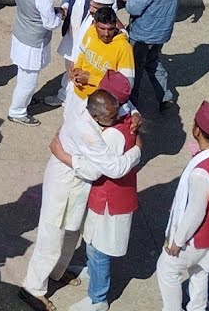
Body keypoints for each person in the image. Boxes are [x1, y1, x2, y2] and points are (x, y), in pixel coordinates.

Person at [18, 87, 140, 311]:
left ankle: (57, 271)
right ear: (95, 115)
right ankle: (32, 288)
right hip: (64, 185)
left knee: (72, 232)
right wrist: (136, 151)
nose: (115, 120)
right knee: (52, 236)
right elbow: (105, 170)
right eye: (111, 117)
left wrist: (134, 114)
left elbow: (125, 106)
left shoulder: (90, 111)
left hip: (76, 184)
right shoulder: (89, 131)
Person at [72, 71, 141, 311]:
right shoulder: (127, 119)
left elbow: (97, 170)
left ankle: (98, 298)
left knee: (97, 247)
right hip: (115, 196)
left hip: (109, 199)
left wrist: (69, 159)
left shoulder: (112, 134)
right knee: (92, 242)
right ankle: (93, 274)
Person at [157, 102, 209, 311]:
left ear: (197, 130)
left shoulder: (201, 173)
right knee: (200, 272)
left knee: (166, 270)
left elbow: (195, 212)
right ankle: (197, 307)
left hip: (196, 239)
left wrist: (177, 240)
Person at [41, 0, 116, 107]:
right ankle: (64, 94)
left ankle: (77, 98)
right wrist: (65, 5)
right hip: (72, 27)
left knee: (81, 66)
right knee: (69, 62)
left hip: (89, 31)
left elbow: (111, 12)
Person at [124, 0, 183, 111]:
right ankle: (165, 96)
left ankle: (132, 104)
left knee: (134, 69)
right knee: (153, 61)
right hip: (162, 32)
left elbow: (133, 9)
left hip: (143, 34)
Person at [8, 0, 63, 126]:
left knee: (23, 75)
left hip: (20, 33)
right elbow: (50, 23)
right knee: (29, 81)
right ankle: (17, 111)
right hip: (34, 42)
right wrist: (61, 14)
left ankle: (23, 101)